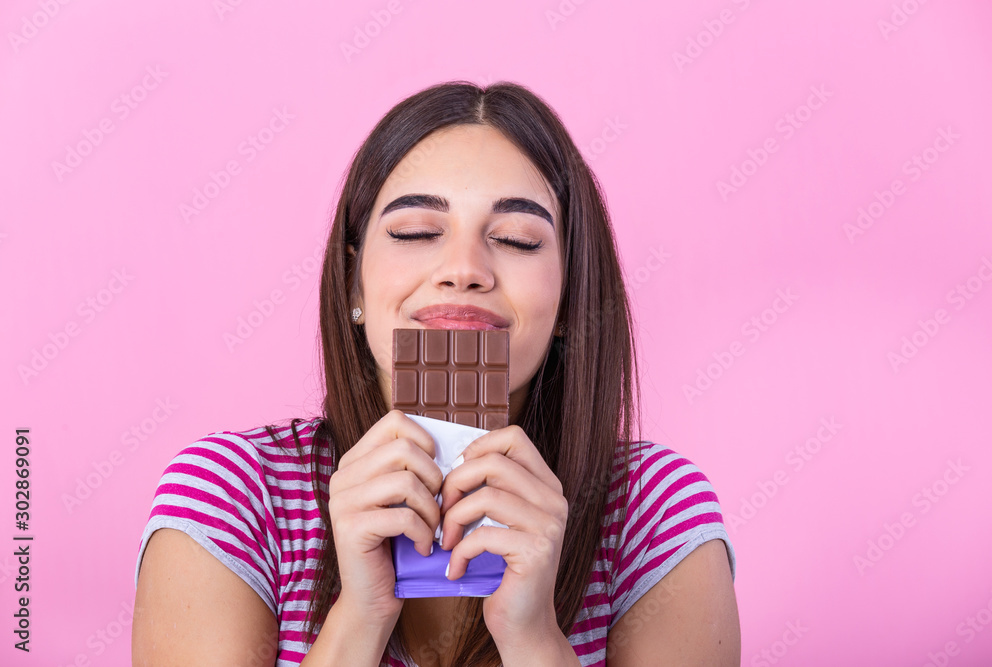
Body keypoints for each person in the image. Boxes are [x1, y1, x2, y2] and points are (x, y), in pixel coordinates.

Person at [132, 80, 740, 666]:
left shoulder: (652, 512)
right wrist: (360, 617)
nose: (463, 269)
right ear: (354, 284)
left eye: (516, 239)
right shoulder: (235, 497)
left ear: (568, 300)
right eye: (416, 232)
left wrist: (532, 639)